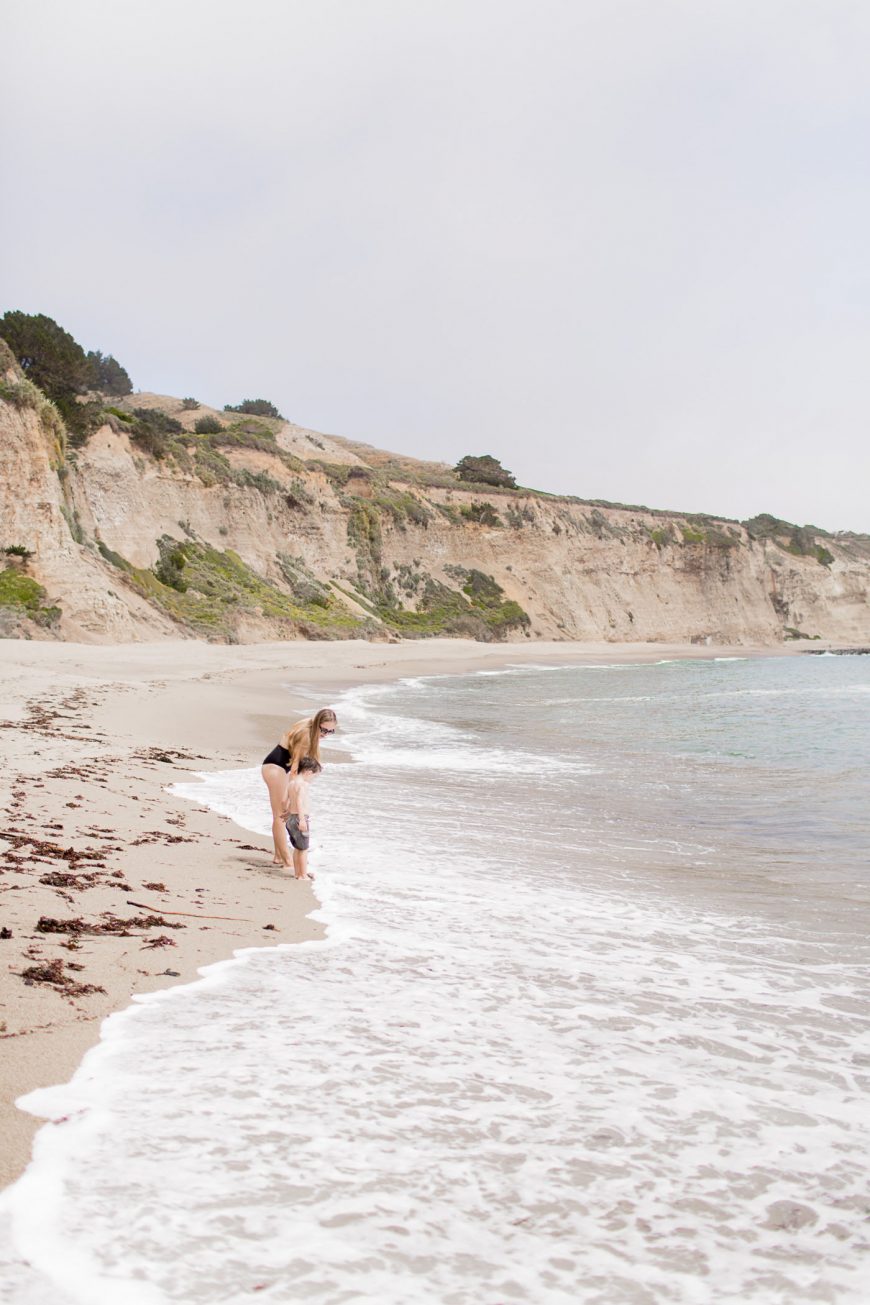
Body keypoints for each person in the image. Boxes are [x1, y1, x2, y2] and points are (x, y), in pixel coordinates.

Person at [261, 708, 336, 868]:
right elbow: (295, 769)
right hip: (276, 768)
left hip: (279, 767)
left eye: (331, 731)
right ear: (317, 724)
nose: (326, 734)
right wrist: (289, 798)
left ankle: (278, 856)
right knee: (280, 816)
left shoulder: (309, 724)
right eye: (323, 730)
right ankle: (287, 861)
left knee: (281, 816)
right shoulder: (306, 737)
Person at [283, 756, 321, 880]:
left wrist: (288, 812)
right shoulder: (303, 784)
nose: (312, 779)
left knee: (297, 848)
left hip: (291, 819)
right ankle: (303, 875)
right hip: (300, 819)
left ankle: (297, 873)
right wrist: (302, 819)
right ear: (308, 772)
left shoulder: (291, 783)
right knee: (304, 848)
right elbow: (299, 802)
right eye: (313, 776)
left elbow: (285, 801)